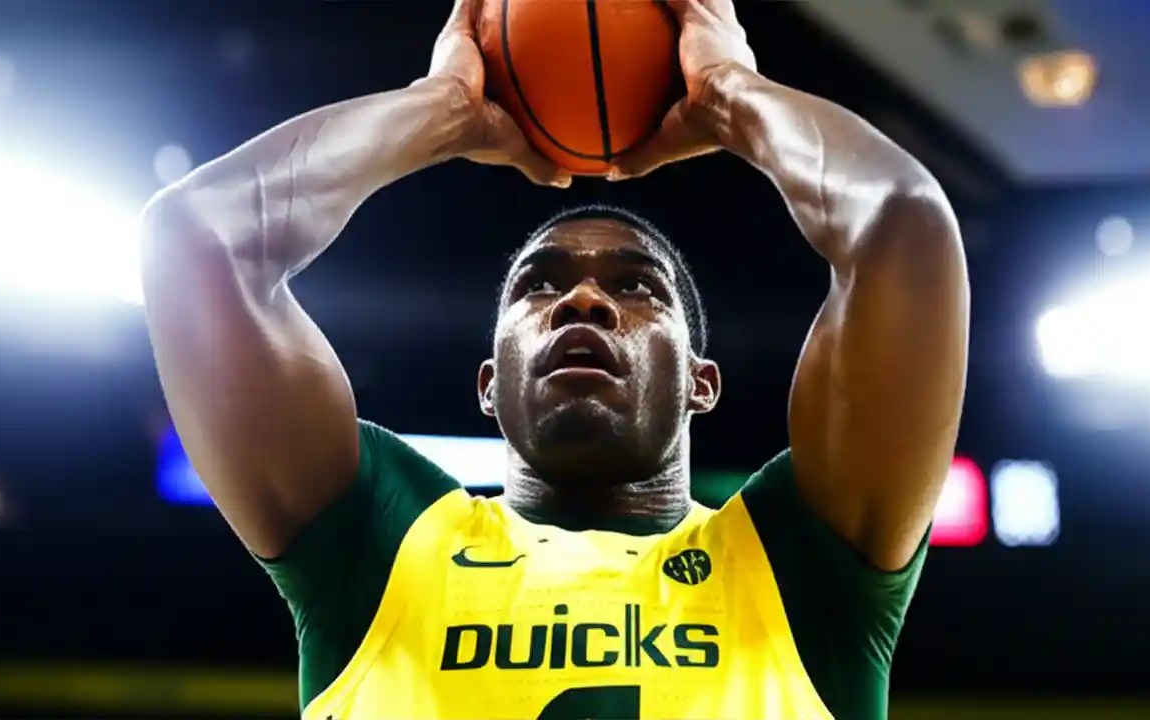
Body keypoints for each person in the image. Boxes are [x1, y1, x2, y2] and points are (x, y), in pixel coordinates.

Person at [139, 0, 968, 718]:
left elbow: (900, 223)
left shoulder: (799, 563)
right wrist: (443, 107)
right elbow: (198, 238)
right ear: (489, 383)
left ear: (701, 383)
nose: (583, 300)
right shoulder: (379, 540)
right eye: (538, 284)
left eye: (638, 286)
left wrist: (729, 91)